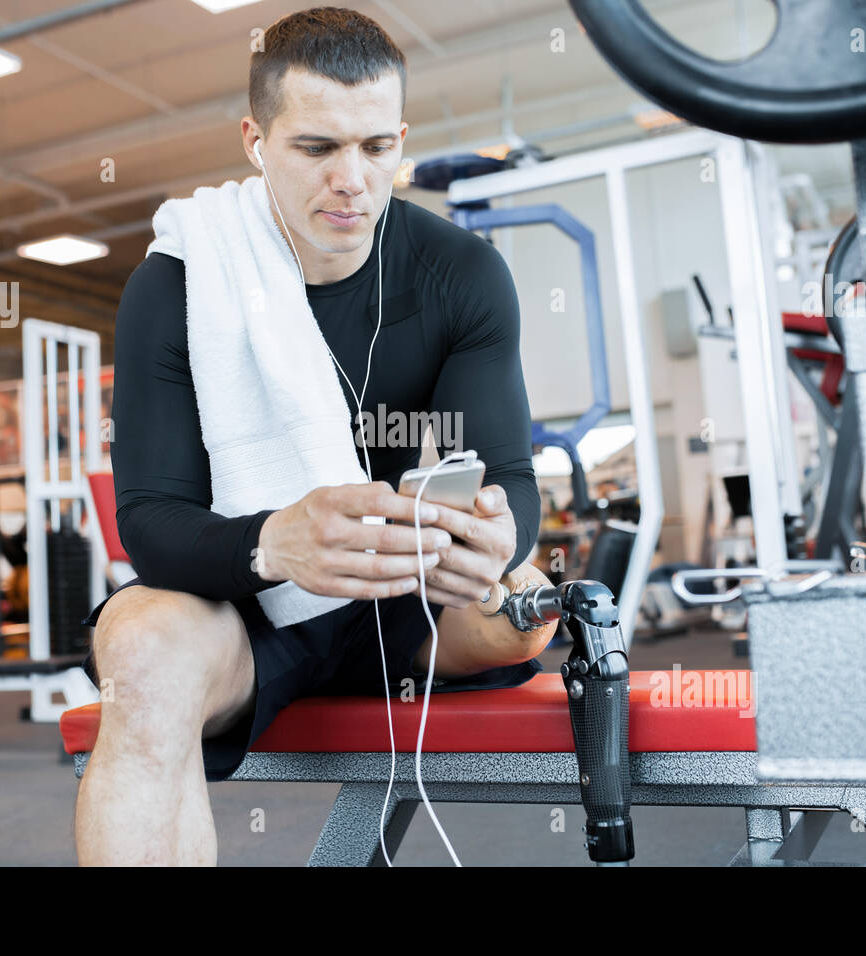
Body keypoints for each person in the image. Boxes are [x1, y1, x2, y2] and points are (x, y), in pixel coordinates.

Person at [75, 6, 558, 866]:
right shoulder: (180, 282)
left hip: (414, 605)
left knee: (525, 596)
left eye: (376, 148)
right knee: (138, 646)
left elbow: (508, 474)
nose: (351, 180)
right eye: (316, 148)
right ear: (256, 141)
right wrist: (275, 544)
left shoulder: (463, 275)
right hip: (251, 609)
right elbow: (150, 522)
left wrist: (493, 531)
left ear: (402, 138)